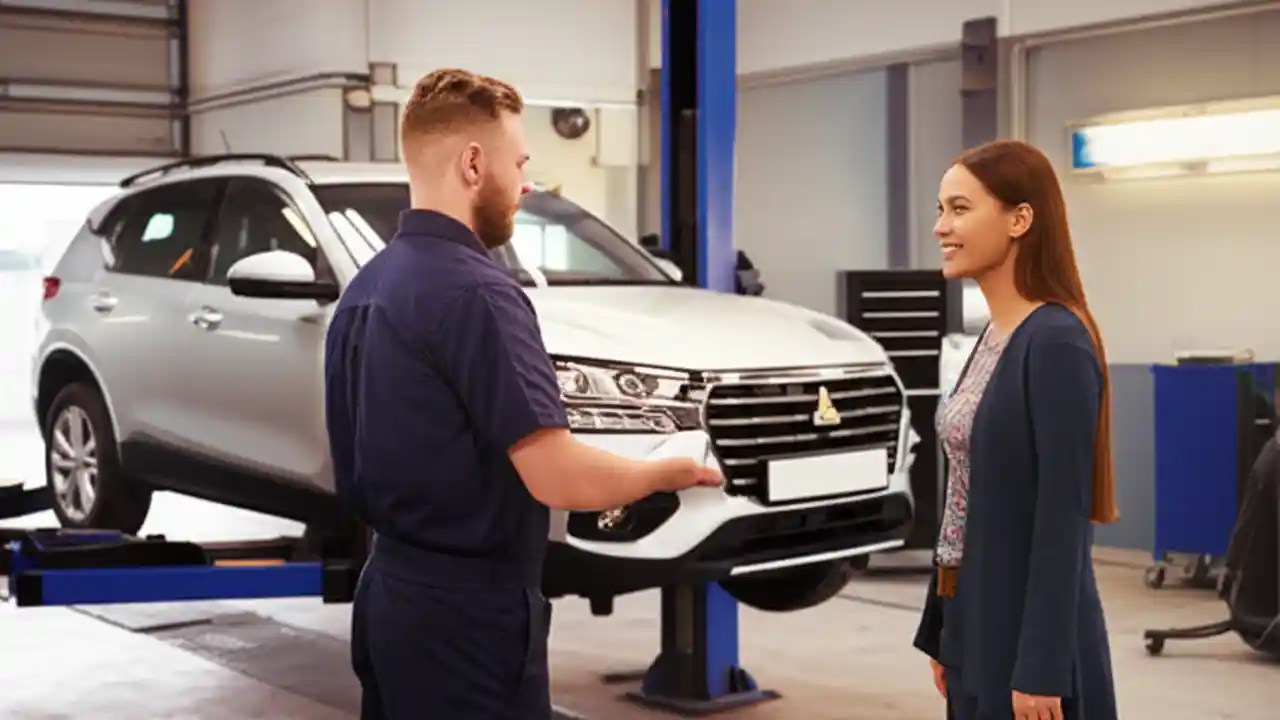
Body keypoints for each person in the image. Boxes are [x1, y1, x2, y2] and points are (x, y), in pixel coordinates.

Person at [323, 68, 723, 720]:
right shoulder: (481, 294)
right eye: (521, 161)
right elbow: (557, 476)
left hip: (389, 595)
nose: (528, 182)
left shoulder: (366, 290)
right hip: (469, 615)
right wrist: (661, 474)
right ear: (474, 164)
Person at [912, 140, 1120, 720]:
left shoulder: (1053, 341)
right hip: (972, 617)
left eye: (959, 208)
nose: (940, 227)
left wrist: (1042, 668)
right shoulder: (994, 337)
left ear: (1019, 219)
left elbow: (1062, 520)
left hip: (1024, 637)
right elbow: (962, 497)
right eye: (940, 208)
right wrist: (941, 628)